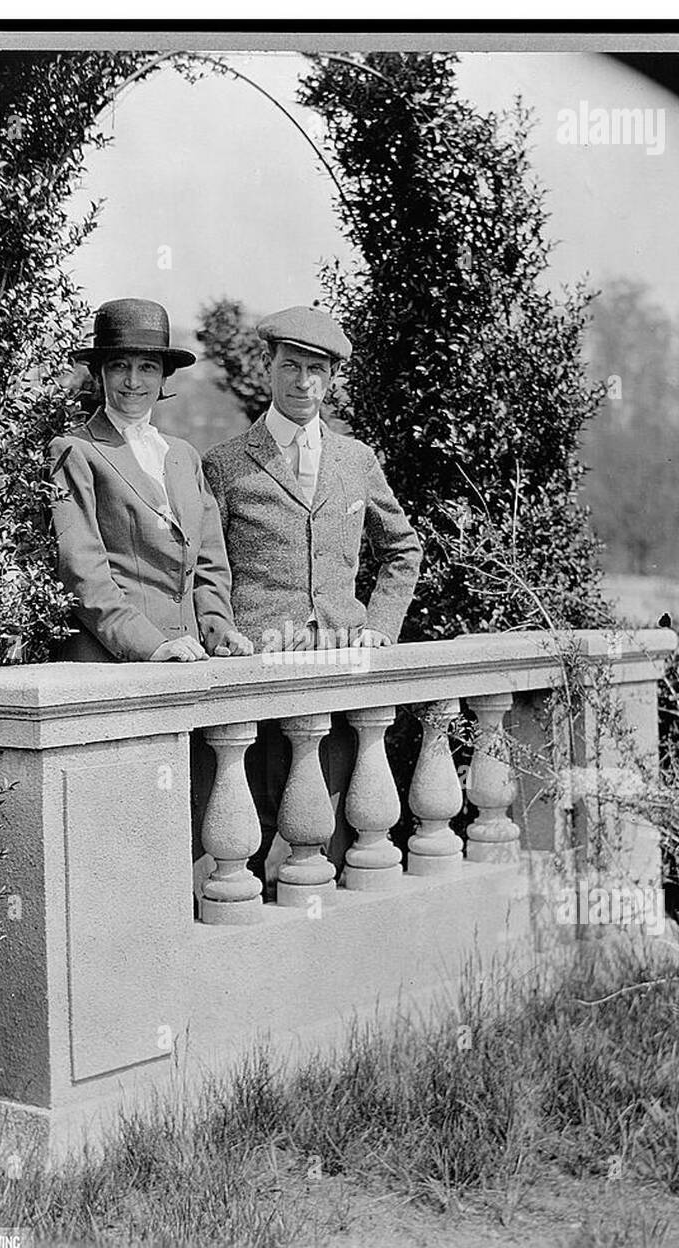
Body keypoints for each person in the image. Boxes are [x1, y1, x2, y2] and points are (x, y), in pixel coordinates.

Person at [202, 305, 422, 879]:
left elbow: (402, 549)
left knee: (340, 824)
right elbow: (206, 568)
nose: (303, 383)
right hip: (256, 675)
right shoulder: (224, 465)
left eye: (316, 371)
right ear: (268, 368)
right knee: (250, 827)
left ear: (332, 379)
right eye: (291, 367)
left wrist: (380, 623)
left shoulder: (357, 460)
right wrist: (221, 629)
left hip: (337, 668)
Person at [49, 298, 253, 663]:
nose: (132, 381)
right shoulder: (74, 451)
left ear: (162, 378)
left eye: (147, 367)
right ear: (99, 374)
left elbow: (209, 564)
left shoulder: (183, 456)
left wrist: (219, 632)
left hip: (187, 658)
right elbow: (81, 569)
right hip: (110, 660)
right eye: (118, 366)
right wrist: (150, 645)